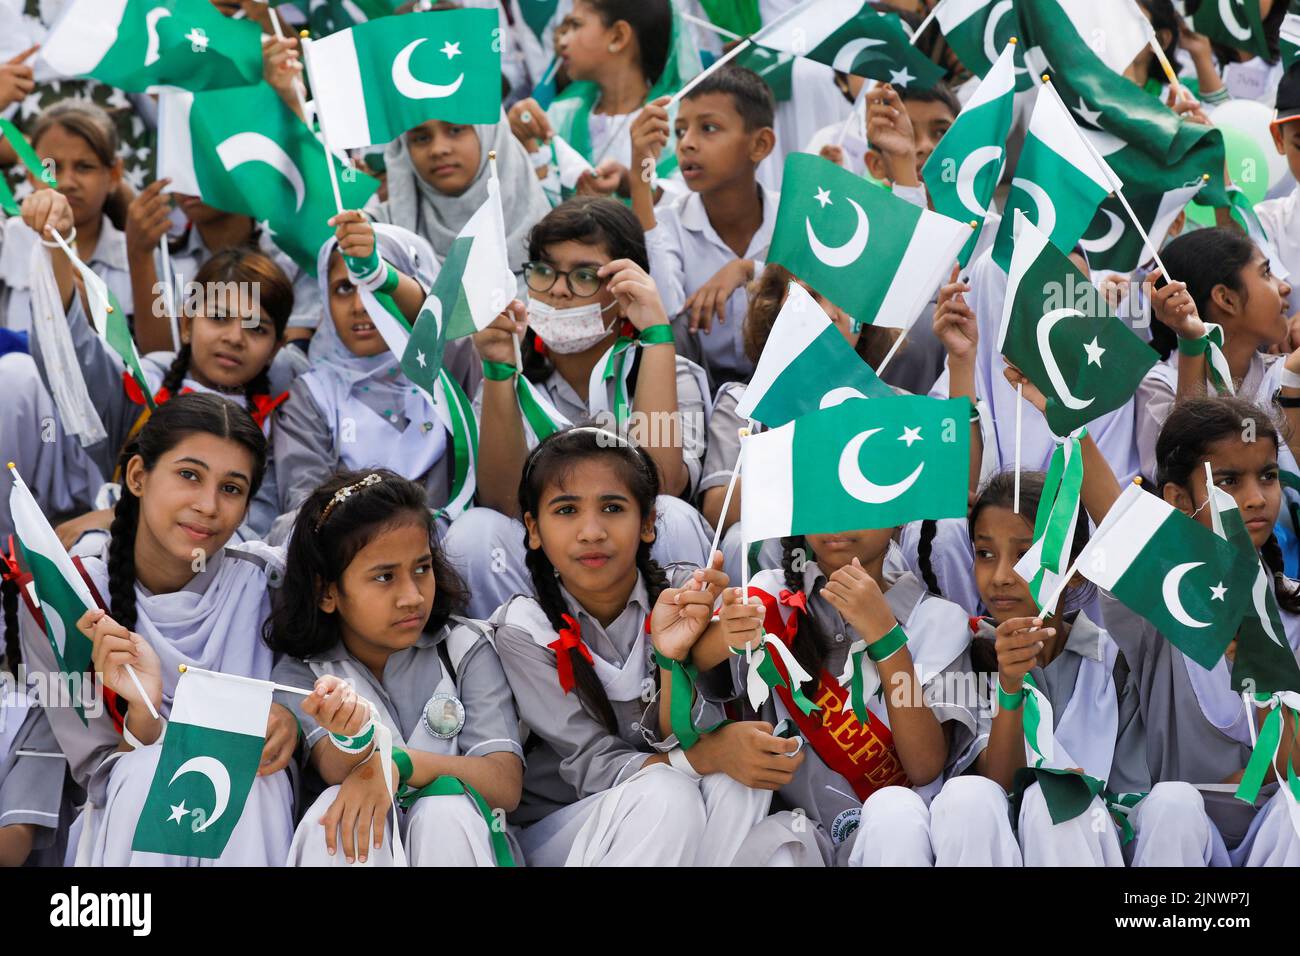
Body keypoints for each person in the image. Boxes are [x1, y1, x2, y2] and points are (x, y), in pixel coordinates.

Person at [17, 393, 296, 865]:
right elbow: (100, 773)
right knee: (145, 774)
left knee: (251, 776)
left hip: (255, 810)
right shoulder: (65, 602)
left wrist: (291, 720)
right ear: (138, 476)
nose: (208, 505)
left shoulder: (272, 584)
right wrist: (143, 722)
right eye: (189, 475)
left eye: (232, 488)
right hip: (127, 805)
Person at [491, 428, 776, 865]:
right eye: (566, 510)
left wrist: (718, 641)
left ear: (647, 523)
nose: (591, 532)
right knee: (667, 793)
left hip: (673, 808)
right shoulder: (524, 629)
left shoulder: (688, 595)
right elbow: (592, 765)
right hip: (565, 830)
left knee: (741, 782)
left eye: (612, 508)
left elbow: (693, 730)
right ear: (533, 529)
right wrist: (703, 758)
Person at [449, 196, 712, 617]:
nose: (558, 289)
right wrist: (498, 372)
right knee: (474, 531)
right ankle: (520, 649)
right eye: (544, 271)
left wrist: (658, 336)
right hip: (542, 562)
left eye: (584, 276)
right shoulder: (513, 377)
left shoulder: (672, 372)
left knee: (672, 515)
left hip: (632, 559)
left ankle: (675, 647)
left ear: (625, 289)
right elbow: (503, 503)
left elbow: (662, 483)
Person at [1078, 396, 1300, 866]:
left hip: (1276, 833)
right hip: (1173, 833)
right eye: (1229, 482)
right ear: (1178, 500)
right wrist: (1069, 423)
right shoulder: (1165, 597)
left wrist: (1262, 673)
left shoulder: (1293, 609)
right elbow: (1114, 520)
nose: (1256, 498)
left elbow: (1291, 765)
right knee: (1174, 804)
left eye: (1267, 476)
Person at [268, 470, 524, 867]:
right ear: (327, 592)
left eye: (422, 568)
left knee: (444, 808)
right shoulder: (302, 671)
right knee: (335, 806)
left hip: (460, 842)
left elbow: (504, 783)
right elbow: (334, 766)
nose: (412, 596)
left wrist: (396, 764)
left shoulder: (464, 648)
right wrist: (352, 738)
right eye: (385, 577)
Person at [702, 519, 990, 865]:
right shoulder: (770, 596)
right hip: (805, 836)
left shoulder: (940, 621)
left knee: (895, 814)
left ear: (899, 514)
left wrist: (886, 638)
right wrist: (719, 632)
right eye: (822, 502)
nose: (837, 519)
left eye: (858, 501)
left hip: (901, 838)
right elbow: (693, 678)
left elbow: (924, 766)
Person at [962, 471, 1148, 866]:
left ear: (1074, 570)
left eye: (1025, 556)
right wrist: (1009, 686)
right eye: (985, 554)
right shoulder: (967, 654)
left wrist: (1081, 798)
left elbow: (1130, 801)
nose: (1001, 577)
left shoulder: (1113, 663)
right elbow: (993, 790)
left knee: (1053, 805)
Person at [269, 215, 480, 544]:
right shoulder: (312, 394)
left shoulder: (449, 368)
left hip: (452, 553)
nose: (359, 305)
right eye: (344, 289)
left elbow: (442, 324)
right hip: (353, 551)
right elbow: (306, 505)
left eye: (373, 288)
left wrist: (382, 275)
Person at [634, 65, 777, 384]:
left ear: (760, 144)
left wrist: (748, 270)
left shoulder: (791, 215)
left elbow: (819, 299)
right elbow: (664, 315)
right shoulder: (668, 222)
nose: (686, 143)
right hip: (696, 388)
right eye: (680, 131)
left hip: (785, 383)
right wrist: (639, 177)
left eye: (708, 128)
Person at [367, 113, 550, 292]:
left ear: (492, 133)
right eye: (421, 138)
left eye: (456, 130)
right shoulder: (377, 235)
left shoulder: (555, 225)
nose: (438, 149)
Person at [0, 100, 131, 333]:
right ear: (30, 174)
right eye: (52, 167)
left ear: (114, 175)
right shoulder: (7, 240)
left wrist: (94, 318)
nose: (67, 182)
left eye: (84, 167)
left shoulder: (136, 256)